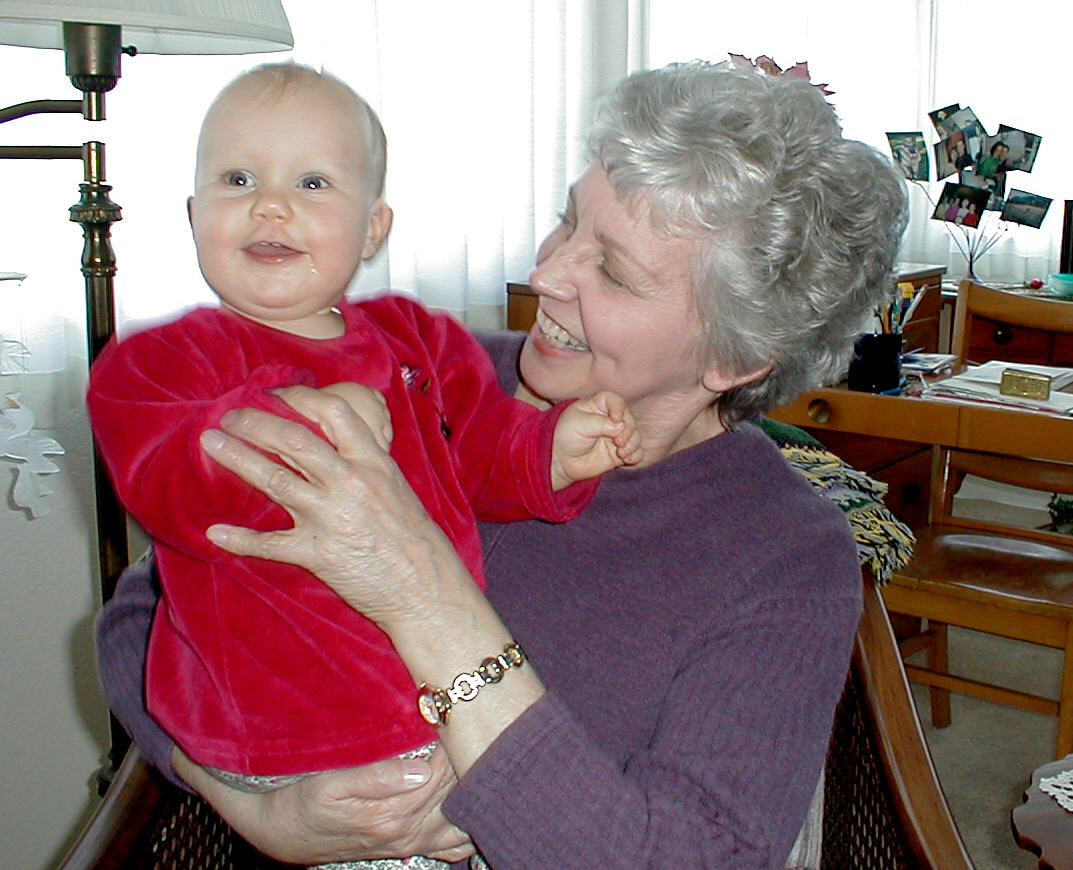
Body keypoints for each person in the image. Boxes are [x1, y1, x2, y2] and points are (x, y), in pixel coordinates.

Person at [96, 59, 908, 868]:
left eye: (614, 273)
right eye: (567, 224)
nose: (546, 275)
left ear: (736, 358)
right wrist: (250, 803)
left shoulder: (781, 555)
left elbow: (696, 855)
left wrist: (425, 600)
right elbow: (143, 615)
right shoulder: (420, 376)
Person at [87, 62, 641, 868]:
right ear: (192, 212)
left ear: (373, 227)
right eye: (237, 178)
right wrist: (297, 418)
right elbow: (172, 490)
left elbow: (480, 455)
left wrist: (550, 449)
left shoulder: (418, 338)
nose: (269, 205)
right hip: (289, 731)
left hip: (432, 707)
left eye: (312, 182)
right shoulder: (155, 365)